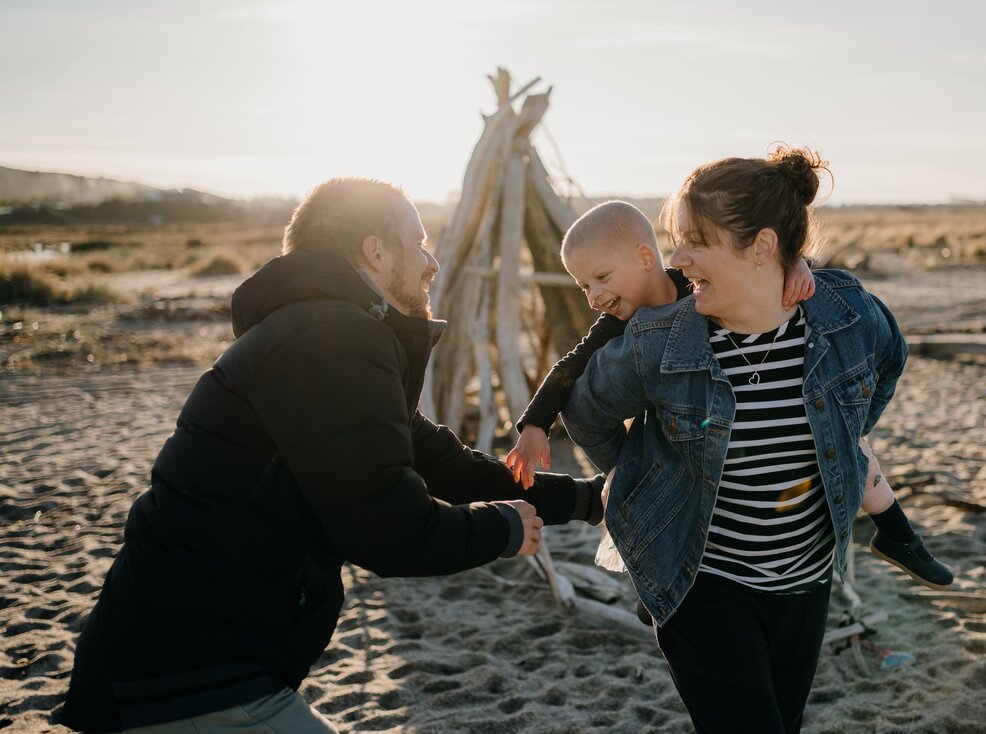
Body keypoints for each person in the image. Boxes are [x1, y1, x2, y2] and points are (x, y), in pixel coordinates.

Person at [60, 178, 604, 734]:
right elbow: (389, 530)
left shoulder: (319, 333)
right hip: (187, 676)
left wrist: (587, 499)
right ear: (375, 251)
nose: (432, 262)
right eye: (418, 243)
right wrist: (501, 529)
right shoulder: (332, 341)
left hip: (186, 664)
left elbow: (448, 466)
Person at [560, 147, 946, 732]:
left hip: (808, 582)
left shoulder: (844, 317)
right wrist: (642, 477)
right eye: (676, 241)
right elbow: (586, 412)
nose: (676, 259)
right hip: (701, 588)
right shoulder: (661, 341)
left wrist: (846, 433)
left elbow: (891, 356)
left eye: (695, 242)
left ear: (762, 247)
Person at [507, 199, 952, 592]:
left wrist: (796, 265)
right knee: (660, 500)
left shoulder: (697, 285)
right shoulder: (616, 327)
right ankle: (663, 586)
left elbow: (753, 275)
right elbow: (570, 367)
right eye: (585, 286)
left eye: (601, 278)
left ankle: (896, 532)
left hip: (746, 408)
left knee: (846, 440)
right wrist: (535, 423)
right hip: (678, 433)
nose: (594, 296)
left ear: (645, 257)